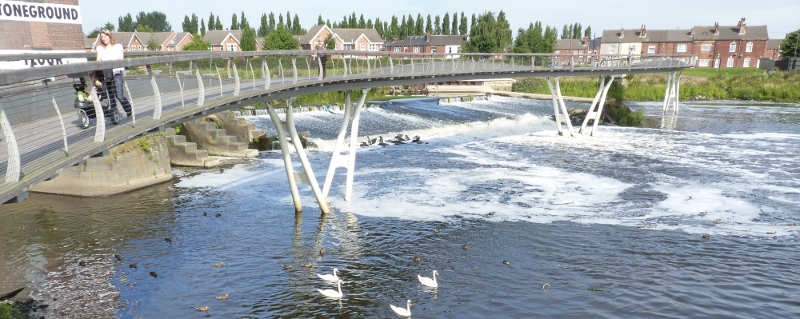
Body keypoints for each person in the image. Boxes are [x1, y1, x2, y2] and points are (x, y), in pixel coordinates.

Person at [95, 30, 132, 117]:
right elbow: (97, 62)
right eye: (102, 37)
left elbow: (120, 60)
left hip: (116, 73)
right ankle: (114, 116)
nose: (104, 39)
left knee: (119, 95)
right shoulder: (100, 49)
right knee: (110, 96)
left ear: (110, 36)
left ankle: (128, 109)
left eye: (105, 36)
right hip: (105, 74)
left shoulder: (117, 47)